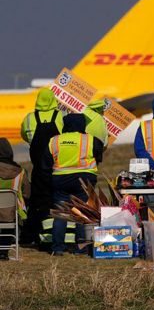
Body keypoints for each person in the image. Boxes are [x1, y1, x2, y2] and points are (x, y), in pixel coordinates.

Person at [45, 112, 104, 255]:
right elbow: (99, 157)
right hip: (84, 180)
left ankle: (58, 248)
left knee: (61, 214)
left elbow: (45, 163)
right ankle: (81, 247)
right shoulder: (91, 140)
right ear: (82, 124)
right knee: (82, 211)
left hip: (60, 180)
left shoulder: (54, 140)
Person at [19, 88, 62, 246]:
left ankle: (34, 236)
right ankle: (57, 235)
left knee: (37, 203)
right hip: (58, 168)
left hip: (38, 168)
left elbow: (24, 135)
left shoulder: (29, 118)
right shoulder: (60, 116)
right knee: (58, 201)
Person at [0, 138, 28, 259]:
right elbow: (27, 193)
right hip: (11, 213)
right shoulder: (20, 172)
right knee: (11, 215)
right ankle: (3, 252)